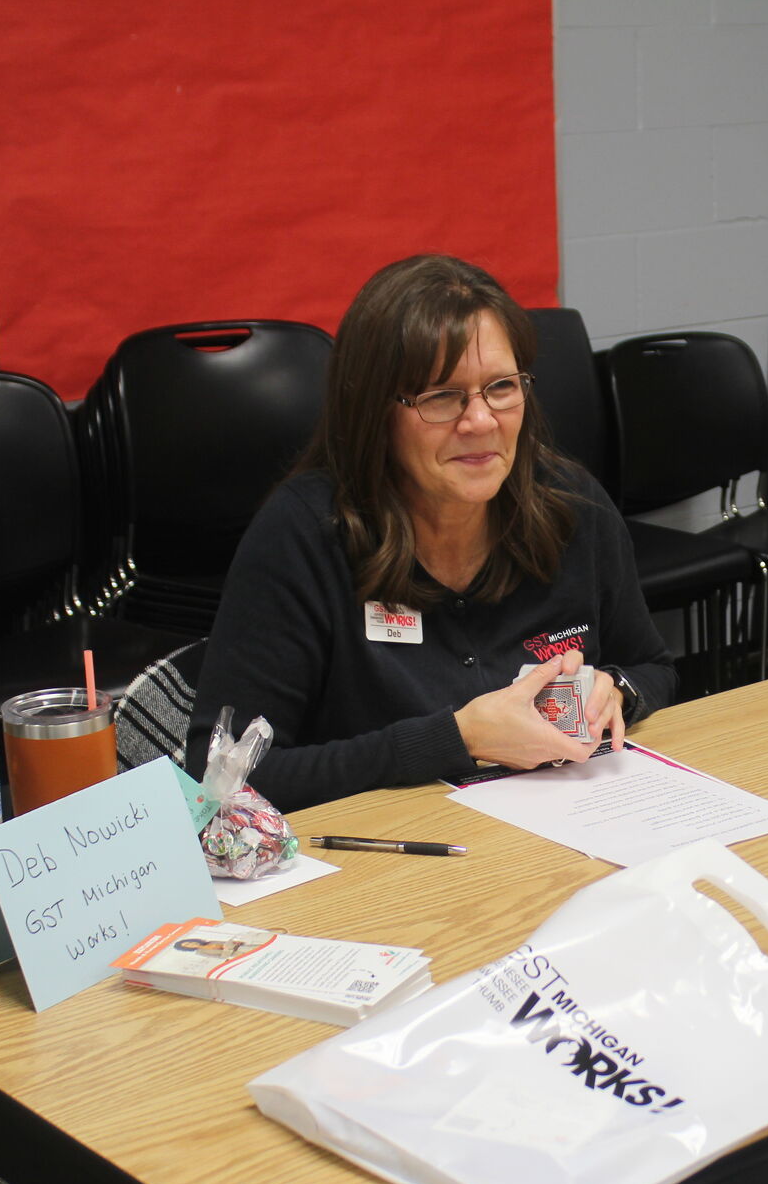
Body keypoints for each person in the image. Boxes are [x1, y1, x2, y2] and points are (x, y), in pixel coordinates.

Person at [188, 255, 676, 811]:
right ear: (375, 412)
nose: (481, 421)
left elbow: (652, 668)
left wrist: (615, 689)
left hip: (566, 831)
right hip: (385, 863)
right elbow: (222, 776)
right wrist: (457, 740)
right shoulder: (303, 534)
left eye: (501, 387)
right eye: (442, 397)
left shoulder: (573, 505)